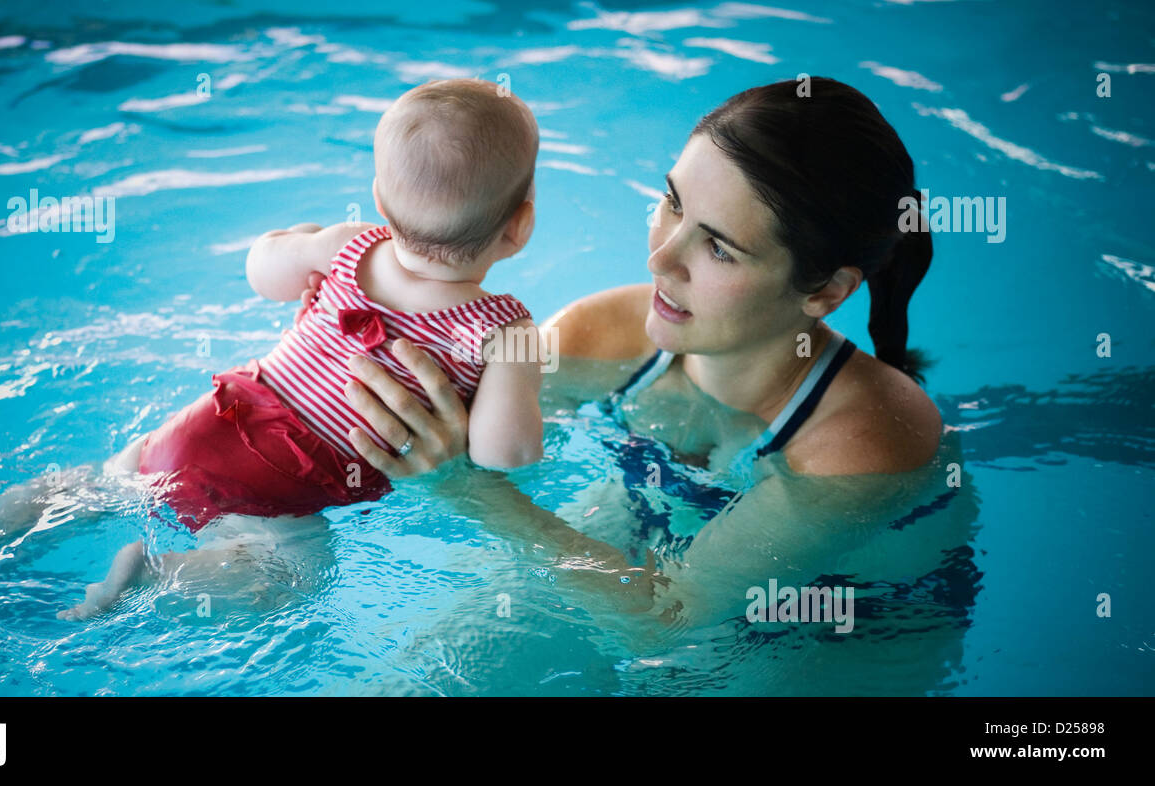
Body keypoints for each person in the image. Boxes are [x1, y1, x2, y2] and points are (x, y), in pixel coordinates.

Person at [331, 77, 957, 634]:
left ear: (827, 290)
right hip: (640, 541)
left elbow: (671, 619)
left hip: (831, 639)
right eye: (675, 202)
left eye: (719, 249)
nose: (660, 258)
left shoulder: (867, 441)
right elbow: (434, 428)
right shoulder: (605, 333)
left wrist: (466, 487)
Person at [0, 79, 547, 620]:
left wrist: (302, 245)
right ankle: (156, 576)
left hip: (210, 420)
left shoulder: (349, 245)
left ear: (382, 204)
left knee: (98, 483)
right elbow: (505, 453)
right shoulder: (504, 329)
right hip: (284, 479)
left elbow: (262, 272)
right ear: (519, 226)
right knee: (296, 576)